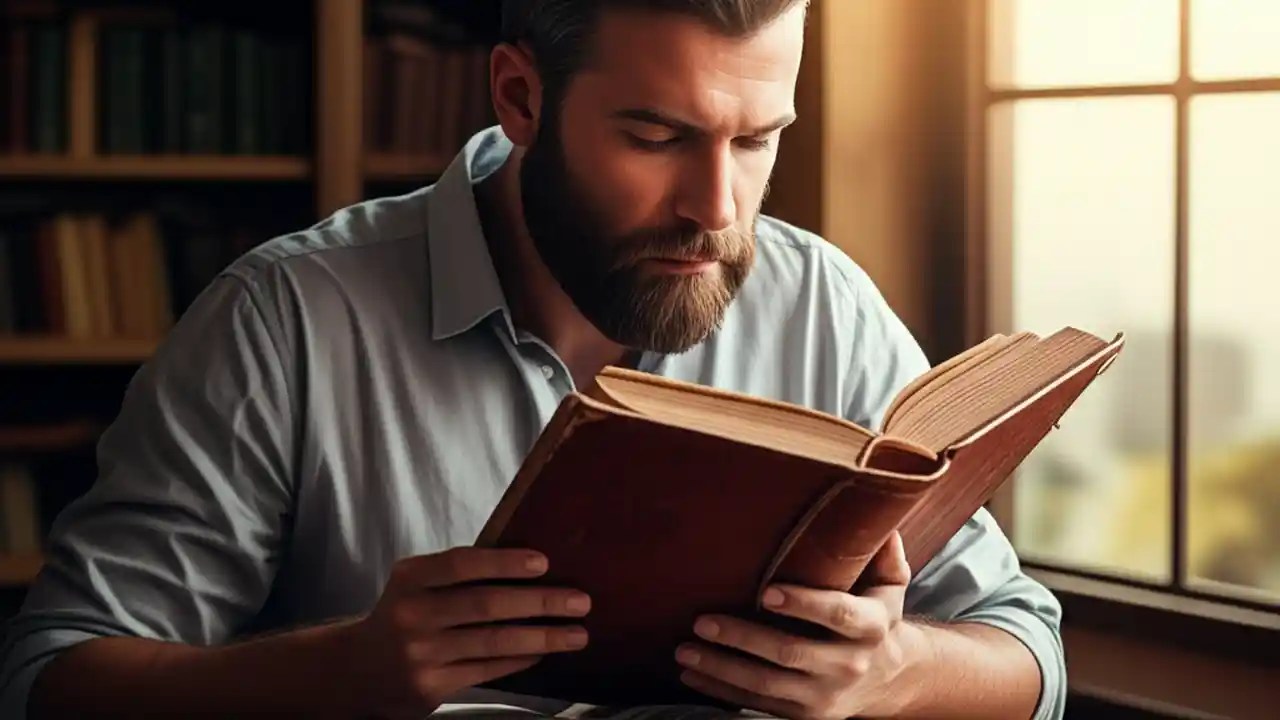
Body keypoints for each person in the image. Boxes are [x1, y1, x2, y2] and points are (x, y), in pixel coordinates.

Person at [0, 1, 1065, 718]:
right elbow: (49, 679)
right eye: (655, 138)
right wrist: (346, 672)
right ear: (518, 97)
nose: (717, 209)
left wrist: (888, 673)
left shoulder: (820, 300)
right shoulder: (283, 319)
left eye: (754, 140)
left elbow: (1027, 653)